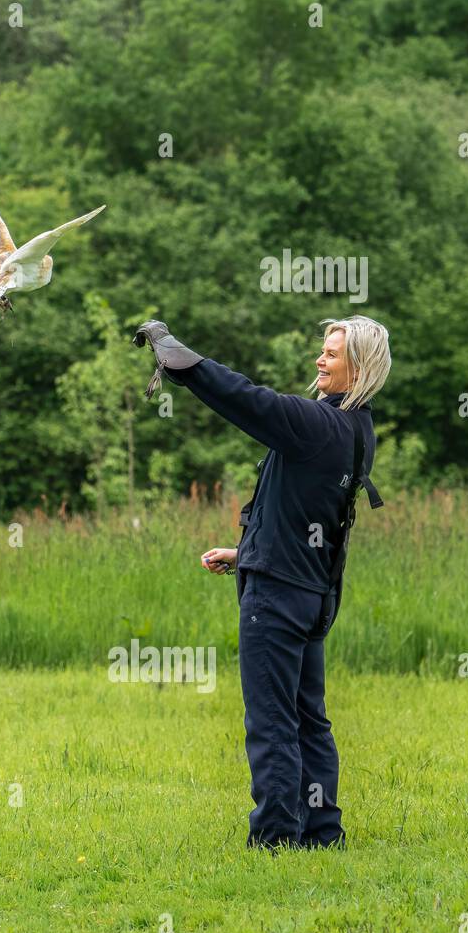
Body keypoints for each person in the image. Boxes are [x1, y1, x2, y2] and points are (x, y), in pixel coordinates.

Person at [133, 315, 391, 850]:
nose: (319, 360)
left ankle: (275, 838)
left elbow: (246, 399)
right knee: (308, 720)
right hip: (310, 593)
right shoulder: (358, 430)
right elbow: (307, 511)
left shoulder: (317, 425)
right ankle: (323, 834)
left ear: (358, 368)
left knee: (273, 721)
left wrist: (181, 360)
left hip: (277, 598)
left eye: (331, 354)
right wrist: (246, 552)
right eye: (322, 350)